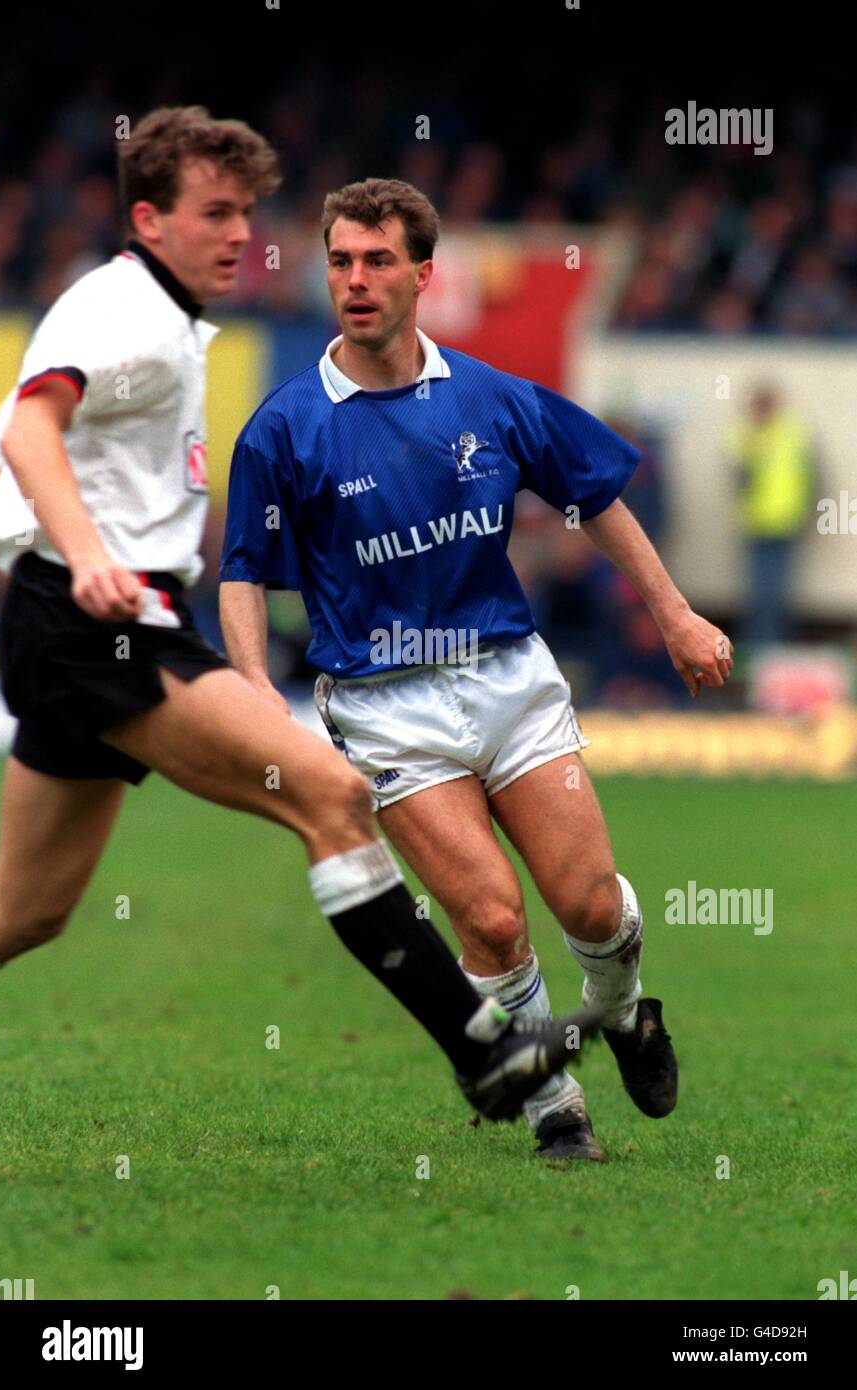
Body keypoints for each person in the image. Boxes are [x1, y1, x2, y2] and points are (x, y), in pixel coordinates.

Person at [0, 116, 593, 1127]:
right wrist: (90, 553)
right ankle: (482, 1051)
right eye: (215, 213)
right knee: (326, 790)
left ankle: (484, 1053)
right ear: (149, 218)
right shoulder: (123, 309)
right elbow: (27, 427)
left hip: (98, 621)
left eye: (247, 212)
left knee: (23, 914)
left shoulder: (168, 316)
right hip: (97, 621)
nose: (240, 234)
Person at [219, 178, 734, 1164]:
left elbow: (593, 493)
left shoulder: (491, 396)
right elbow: (243, 571)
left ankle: (622, 1012)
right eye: (340, 261)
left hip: (508, 679)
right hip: (385, 708)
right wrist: (251, 692)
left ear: (423, 273)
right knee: (492, 920)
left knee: (589, 905)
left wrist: (671, 611)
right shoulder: (284, 428)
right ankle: (556, 1110)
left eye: (377, 261)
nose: (356, 280)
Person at [728, 384, 815, 645]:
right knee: (760, 590)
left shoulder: (791, 431)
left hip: (785, 521)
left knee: (774, 590)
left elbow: (811, 474)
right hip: (757, 522)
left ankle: (770, 642)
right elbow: (739, 473)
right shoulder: (749, 433)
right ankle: (762, 642)